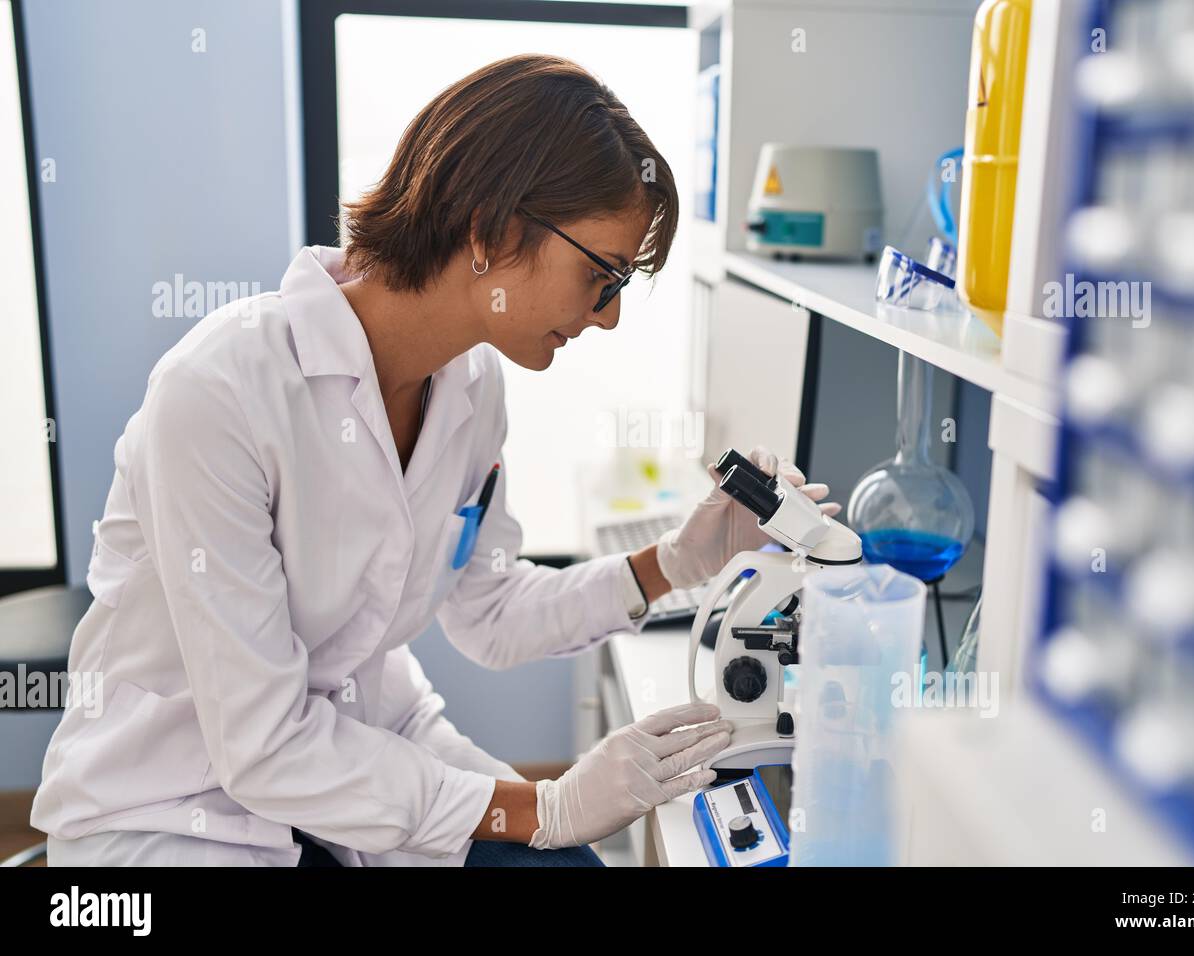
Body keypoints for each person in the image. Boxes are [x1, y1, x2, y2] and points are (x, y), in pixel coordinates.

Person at [31, 54, 838, 866]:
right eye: (602, 275)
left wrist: (672, 563)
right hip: (173, 811)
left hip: (365, 753)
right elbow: (266, 748)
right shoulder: (218, 393)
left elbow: (487, 615)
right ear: (488, 230)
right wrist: (545, 804)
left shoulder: (470, 384)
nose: (612, 317)